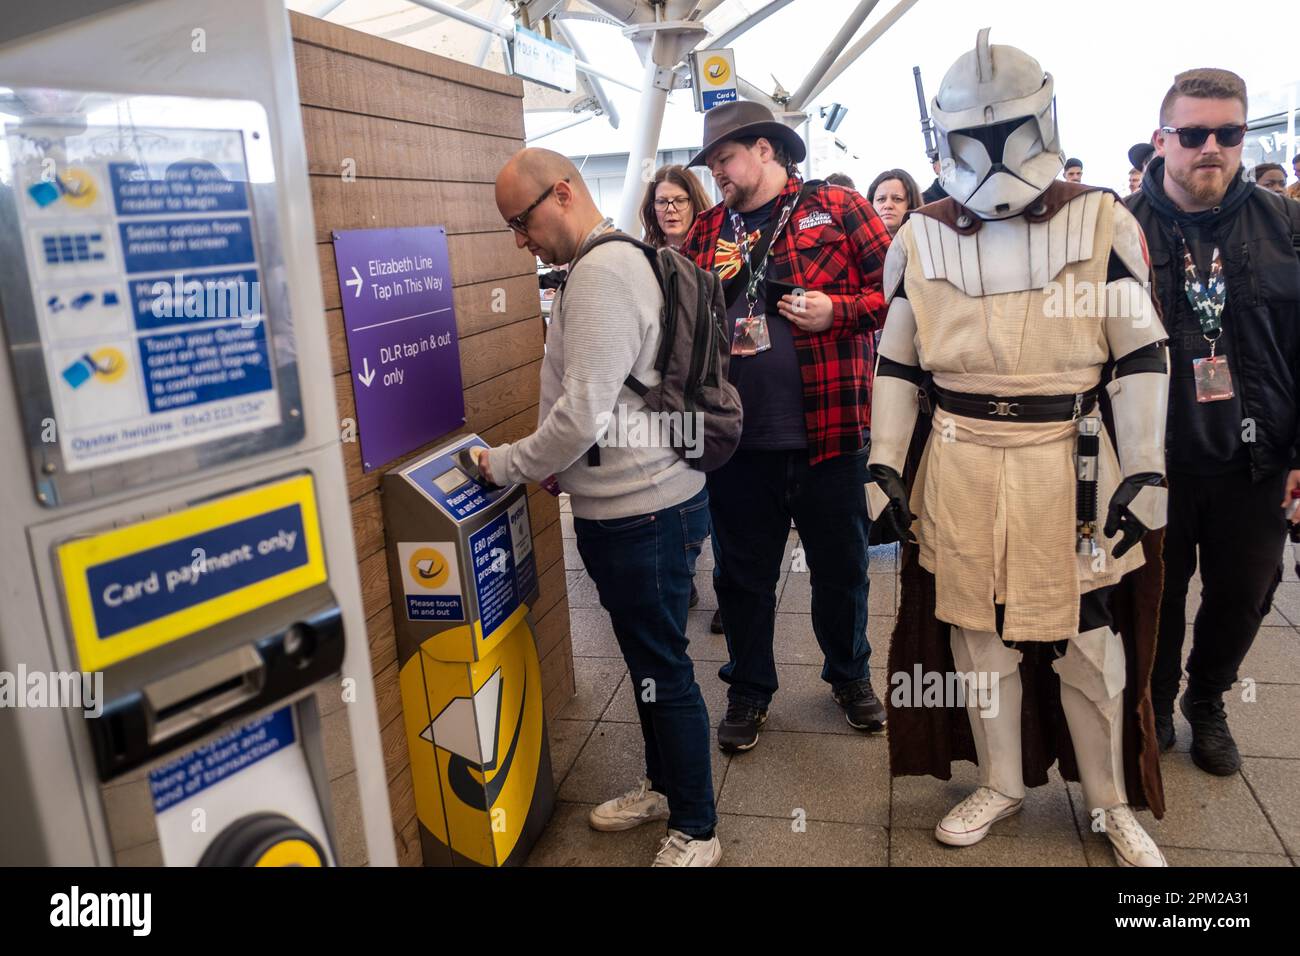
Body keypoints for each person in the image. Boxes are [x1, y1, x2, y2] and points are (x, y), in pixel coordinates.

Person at [871, 29, 1170, 867]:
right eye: (976, 139)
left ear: (1044, 123)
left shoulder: (1101, 219)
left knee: (1088, 636)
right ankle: (1001, 781)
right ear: (945, 139)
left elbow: (1142, 351)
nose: (996, 157)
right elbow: (897, 359)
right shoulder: (920, 234)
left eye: (1010, 135)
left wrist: (1145, 465)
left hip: (1068, 457)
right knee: (975, 631)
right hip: (961, 455)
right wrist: (884, 460)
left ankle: (1110, 801)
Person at [479, 148, 720, 866]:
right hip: (643, 502)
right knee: (650, 658)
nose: (520, 240)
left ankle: (699, 829)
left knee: (663, 666)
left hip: (641, 513)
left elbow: (582, 412)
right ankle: (665, 787)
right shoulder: (617, 260)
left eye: (520, 223)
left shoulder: (601, 273)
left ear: (561, 194)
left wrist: (508, 465)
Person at [679, 100, 892, 751]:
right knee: (741, 576)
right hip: (738, 443)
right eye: (711, 161)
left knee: (842, 570)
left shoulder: (838, 208)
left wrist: (841, 311)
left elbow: (904, 295)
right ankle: (749, 686)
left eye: (726, 158)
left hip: (830, 436)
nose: (717, 171)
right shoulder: (708, 230)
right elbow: (681, 322)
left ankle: (850, 675)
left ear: (765, 150)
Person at [1127, 68, 1300, 777]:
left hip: (1255, 460)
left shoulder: (1285, 225)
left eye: (1227, 134)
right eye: (1193, 133)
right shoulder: (1117, 231)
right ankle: (1156, 701)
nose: (1211, 148)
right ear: (1163, 138)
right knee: (1154, 597)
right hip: (1154, 457)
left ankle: (1207, 700)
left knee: (1244, 596)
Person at [639, 163, 713, 614]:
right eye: (661, 201)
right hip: (665, 387)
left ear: (693, 203)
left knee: (720, 491)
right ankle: (683, 577)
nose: (669, 209)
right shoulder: (643, 255)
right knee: (678, 482)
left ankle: (729, 589)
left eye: (678, 200)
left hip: (707, 384)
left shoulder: (712, 250)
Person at [639, 163, 711, 251]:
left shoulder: (715, 252)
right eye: (662, 202)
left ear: (695, 204)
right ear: (652, 208)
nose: (670, 209)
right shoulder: (645, 257)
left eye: (680, 200)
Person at [867, 168, 922, 236]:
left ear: (911, 204)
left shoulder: (927, 243)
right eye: (881, 199)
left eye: (897, 199)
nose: (888, 205)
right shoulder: (858, 245)